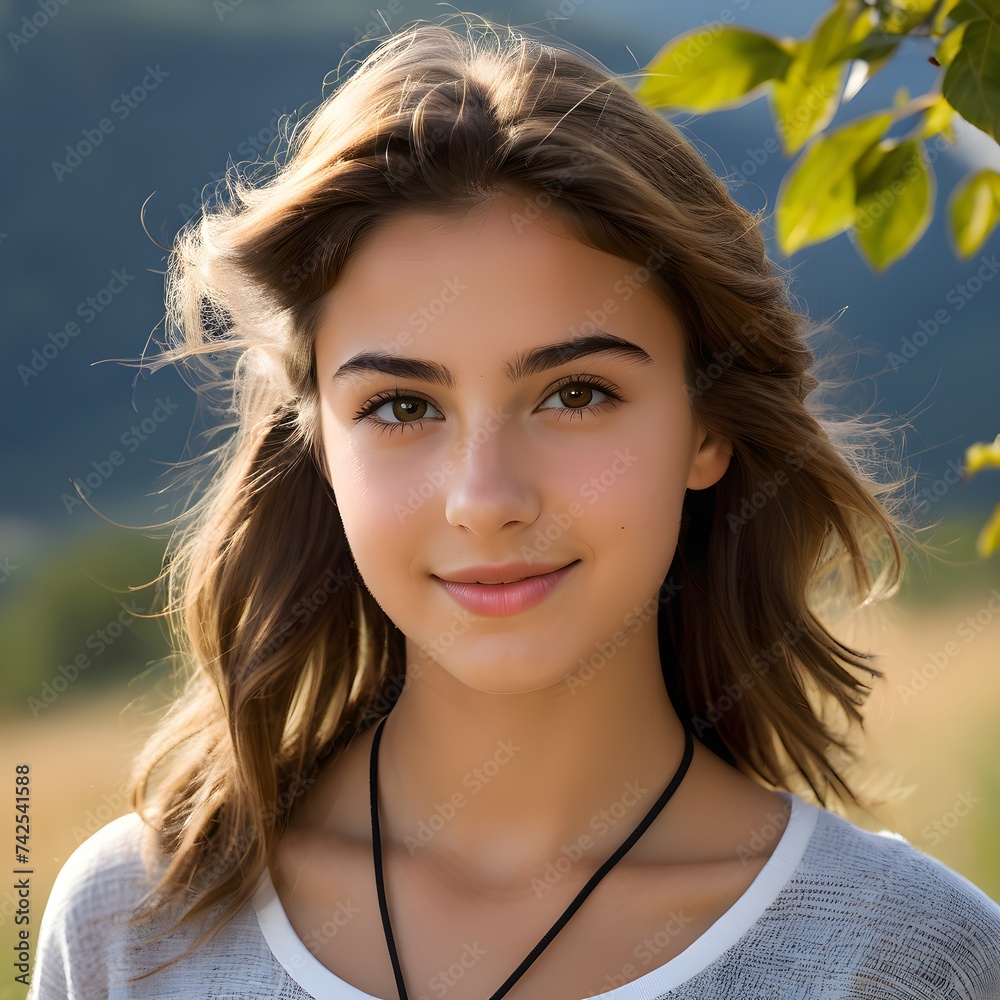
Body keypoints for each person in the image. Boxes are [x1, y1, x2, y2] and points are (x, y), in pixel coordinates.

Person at [29, 14, 1000, 1000]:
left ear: (706, 428)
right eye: (402, 406)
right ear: (317, 443)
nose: (484, 499)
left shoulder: (907, 960)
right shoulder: (133, 928)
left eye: (575, 393)